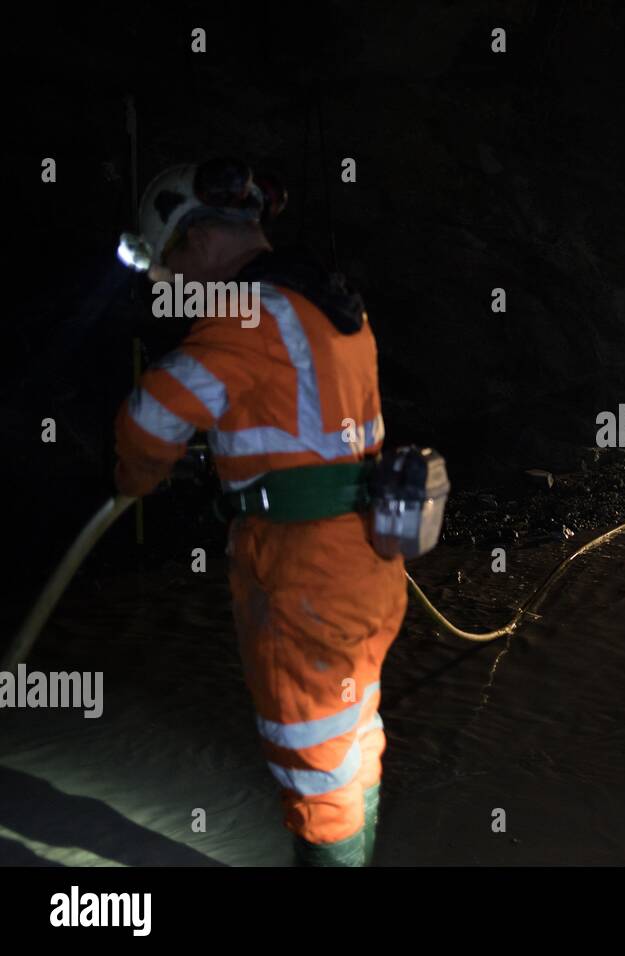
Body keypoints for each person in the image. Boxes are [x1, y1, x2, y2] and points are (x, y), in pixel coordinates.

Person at [114, 158, 406, 866]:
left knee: (311, 757)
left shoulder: (248, 313)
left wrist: (135, 479)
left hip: (304, 571)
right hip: (366, 556)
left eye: (168, 267)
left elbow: (152, 416)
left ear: (198, 240)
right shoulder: (326, 303)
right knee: (348, 734)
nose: (169, 287)